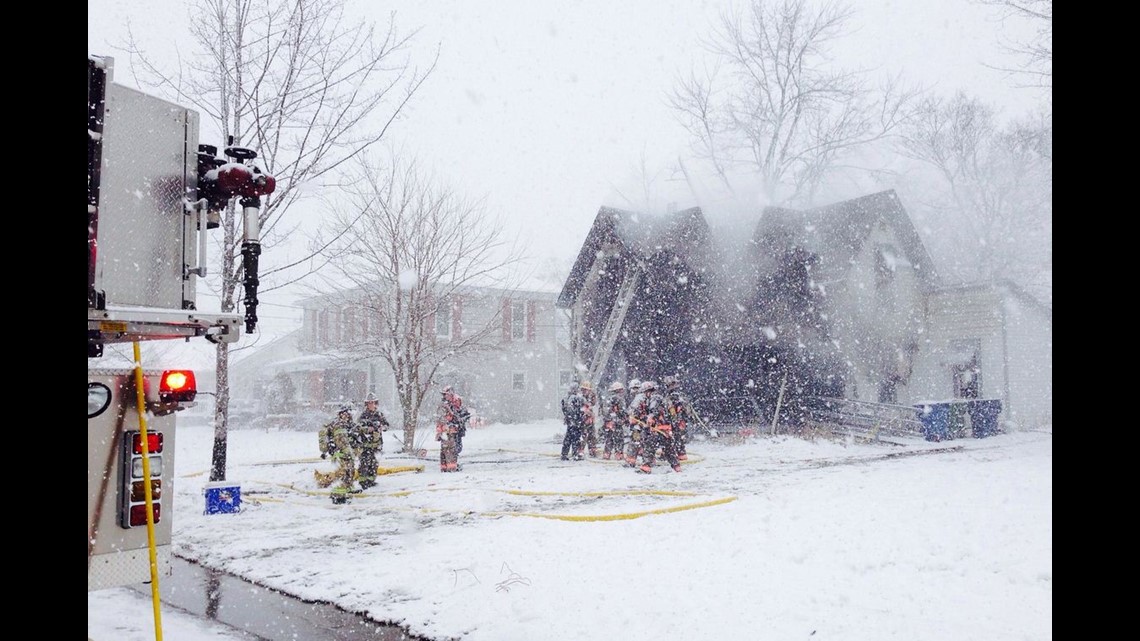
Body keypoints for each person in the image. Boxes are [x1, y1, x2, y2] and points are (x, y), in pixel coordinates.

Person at [631, 381, 681, 474]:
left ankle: (646, 467)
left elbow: (654, 410)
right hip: (665, 429)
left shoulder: (654, 398)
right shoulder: (662, 398)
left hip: (658, 429)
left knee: (649, 447)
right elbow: (671, 415)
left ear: (647, 391)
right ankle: (677, 467)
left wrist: (650, 418)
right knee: (669, 449)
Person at [321, 404, 359, 503]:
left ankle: (348, 488)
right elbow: (341, 440)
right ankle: (337, 495)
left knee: (350, 471)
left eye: (349, 414)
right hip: (340, 454)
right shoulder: (339, 424)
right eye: (346, 413)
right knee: (342, 474)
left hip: (346, 454)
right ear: (341, 414)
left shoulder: (347, 424)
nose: (348, 416)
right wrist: (349, 451)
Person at [354, 392, 389, 489]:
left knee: (374, 464)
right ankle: (363, 481)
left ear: (375, 403)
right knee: (364, 463)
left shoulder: (379, 415)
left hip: (376, 444)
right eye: (369, 403)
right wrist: (367, 429)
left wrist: (382, 427)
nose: (371, 404)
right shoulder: (363, 415)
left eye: (372, 402)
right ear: (366, 404)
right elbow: (357, 427)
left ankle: (371, 480)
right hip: (365, 444)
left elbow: (387, 425)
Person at [436, 386, 467, 472]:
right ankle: (451, 467)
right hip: (449, 431)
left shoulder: (445, 405)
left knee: (446, 450)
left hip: (446, 431)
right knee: (451, 450)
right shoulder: (447, 406)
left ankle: (445, 468)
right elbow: (446, 418)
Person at [663, 375, 693, 462]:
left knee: (674, 437)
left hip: (676, 421)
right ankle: (680, 454)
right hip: (676, 421)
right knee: (676, 438)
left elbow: (686, 410)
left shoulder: (675, 397)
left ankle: (675, 454)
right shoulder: (680, 396)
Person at [560, 383, 587, 461]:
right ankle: (575, 454)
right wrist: (579, 416)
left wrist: (567, 417)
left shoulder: (566, 398)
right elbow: (582, 407)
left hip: (570, 421)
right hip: (576, 421)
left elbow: (564, 408)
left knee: (568, 438)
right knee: (576, 438)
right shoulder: (577, 398)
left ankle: (564, 454)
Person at [601, 381, 628, 461]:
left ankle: (606, 454)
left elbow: (604, 411)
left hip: (608, 423)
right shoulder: (619, 398)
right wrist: (625, 419)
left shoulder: (607, 399)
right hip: (616, 422)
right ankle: (618, 455)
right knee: (619, 439)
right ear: (618, 390)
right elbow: (622, 411)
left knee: (609, 440)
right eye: (621, 390)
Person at [576, 380, 600, 458]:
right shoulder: (579, 398)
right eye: (584, 389)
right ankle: (580, 452)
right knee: (583, 436)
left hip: (590, 420)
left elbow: (593, 405)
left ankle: (592, 451)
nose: (585, 391)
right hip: (582, 421)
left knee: (592, 436)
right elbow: (579, 409)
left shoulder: (592, 397)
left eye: (587, 390)